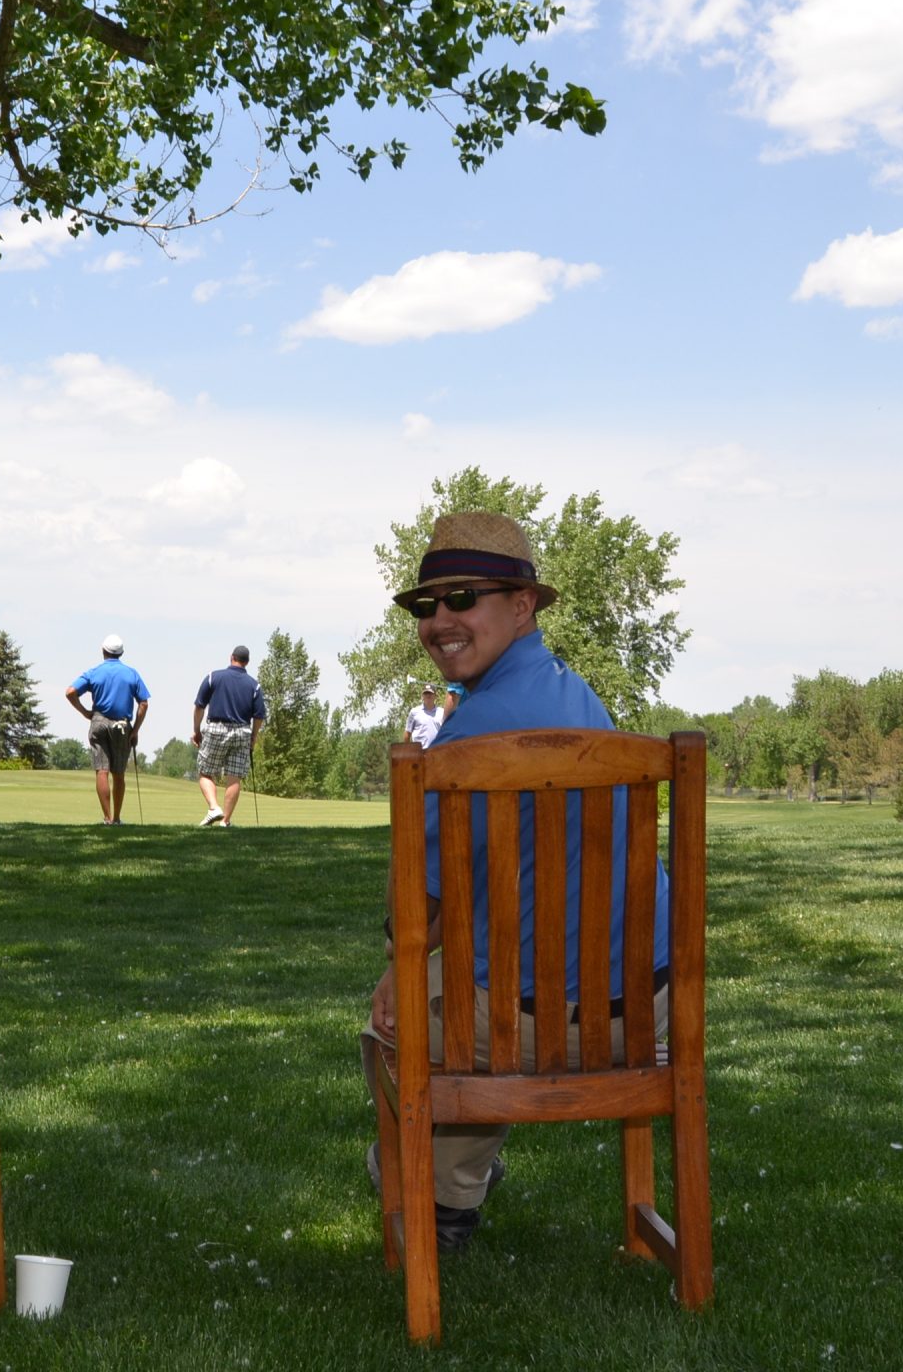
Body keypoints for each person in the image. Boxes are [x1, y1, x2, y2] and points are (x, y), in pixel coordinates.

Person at [362, 512, 670, 1251]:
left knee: (394, 1019)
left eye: (464, 598)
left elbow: (416, 906)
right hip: (650, 1011)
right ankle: (459, 1178)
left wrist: (399, 961)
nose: (440, 620)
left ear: (523, 604)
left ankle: (437, 1199)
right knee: (475, 984)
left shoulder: (470, 738)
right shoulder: (580, 699)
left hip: (528, 1026)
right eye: (426, 604)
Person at [64, 633, 151, 825]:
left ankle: (107, 818)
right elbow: (143, 704)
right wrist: (135, 730)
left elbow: (70, 692)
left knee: (101, 770)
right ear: (121, 653)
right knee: (118, 773)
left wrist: (85, 713)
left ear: (103, 651)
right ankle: (117, 819)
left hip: (98, 722)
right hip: (121, 725)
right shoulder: (131, 673)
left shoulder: (94, 672)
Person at [191, 645, 267, 827]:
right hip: (242, 731)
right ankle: (225, 821)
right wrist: (254, 737)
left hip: (216, 728)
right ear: (247, 662)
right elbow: (259, 716)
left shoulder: (213, 677)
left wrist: (196, 730)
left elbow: (200, 706)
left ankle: (213, 807)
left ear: (231, 657)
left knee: (205, 771)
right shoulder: (254, 685)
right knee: (234, 776)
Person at [403, 683, 444, 748]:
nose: (428, 695)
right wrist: (408, 750)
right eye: (426, 693)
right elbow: (407, 734)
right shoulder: (414, 712)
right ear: (422, 696)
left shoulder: (442, 712)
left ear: (435, 696)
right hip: (419, 751)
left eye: (430, 693)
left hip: (436, 751)